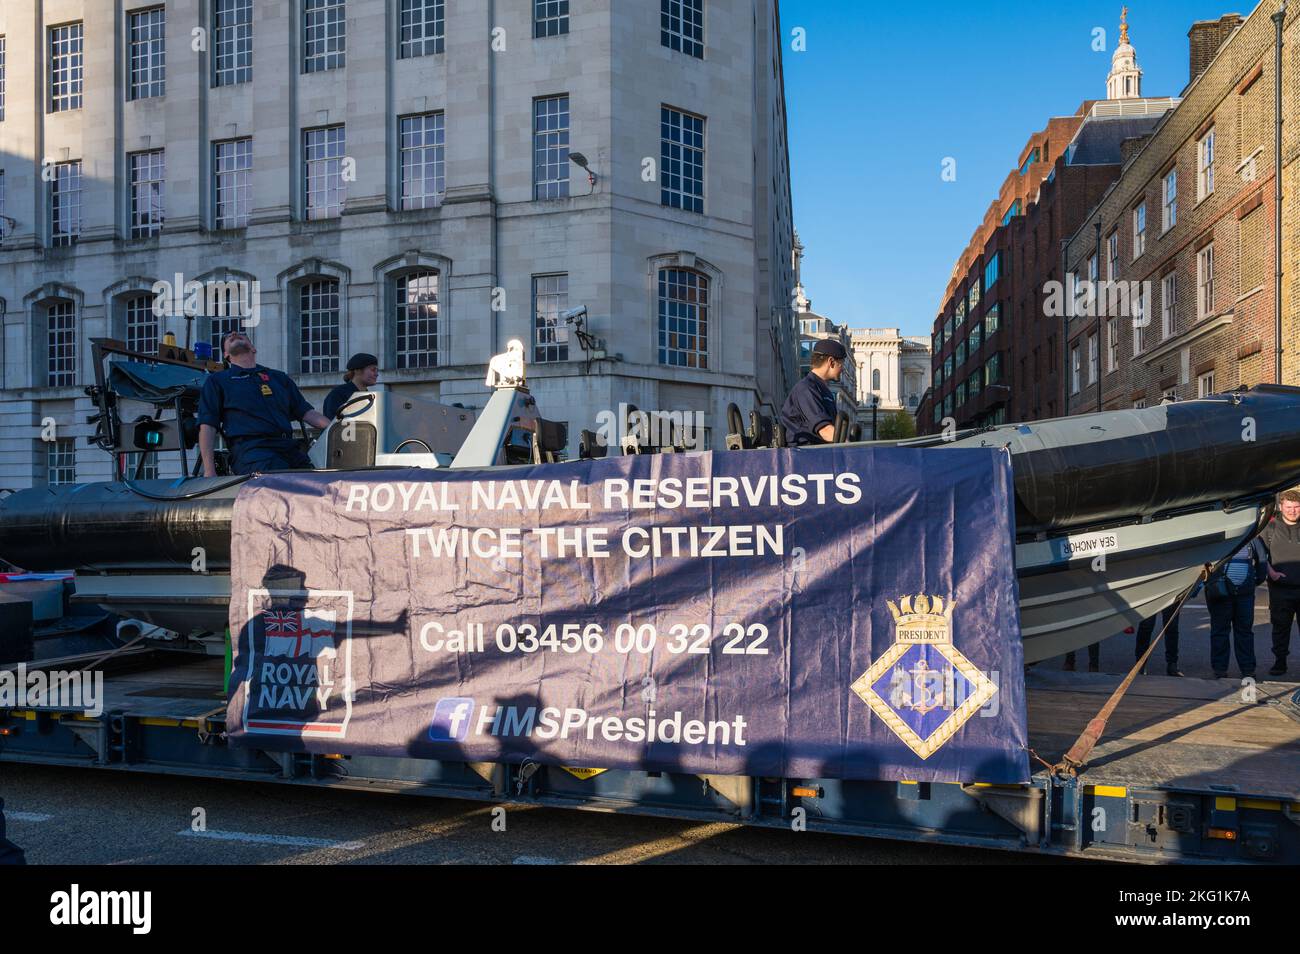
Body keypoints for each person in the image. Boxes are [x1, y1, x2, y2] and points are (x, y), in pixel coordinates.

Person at [198, 331, 331, 477]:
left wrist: (338, 426)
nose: (234, 333)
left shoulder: (279, 378)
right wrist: (209, 470)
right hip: (252, 451)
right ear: (225, 354)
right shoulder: (218, 381)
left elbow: (307, 412)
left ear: (253, 348)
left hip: (288, 448)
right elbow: (208, 426)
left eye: (241, 334)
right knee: (282, 482)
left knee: (317, 482)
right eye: (228, 336)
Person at [1204, 537, 1265, 679]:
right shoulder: (1216, 536)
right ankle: (1219, 670)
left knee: (1244, 632)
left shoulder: (1253, 538)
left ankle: (1248, 670)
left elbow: (1262, 562)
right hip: (1220, 594)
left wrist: (1253, 582)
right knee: (1220, 632)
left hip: (1245, 595)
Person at [1259, 488, 1300, 675]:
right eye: (1289, 507)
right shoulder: (1271, 527)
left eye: (1297, 507)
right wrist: (1271, 572)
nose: (1293, 510)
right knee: (1280, 629)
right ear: (1281, 506)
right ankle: (1280, 662)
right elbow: (1261, 555)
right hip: (1280, 590)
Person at [780, 339, 847, 445]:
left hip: (818, 452)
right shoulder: (806, 389)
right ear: (831, 362)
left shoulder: (823, 390)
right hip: (804, 455)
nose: (842, 369)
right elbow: (825, 430)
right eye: (841, 364)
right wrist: (853, 448)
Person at [323, 353, 380, 420]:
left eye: (377, 370)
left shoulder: (370, 396)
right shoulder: (338, 394)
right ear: (357, 371)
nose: (377, 374)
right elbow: (333, 423)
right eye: (373, 370)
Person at [1134, 605, 1182, 676]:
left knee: (1172, 627)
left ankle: (1172, 665)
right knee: (1146, 626)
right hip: (1151, 594)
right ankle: (1140, 664)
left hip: (1169, 595)